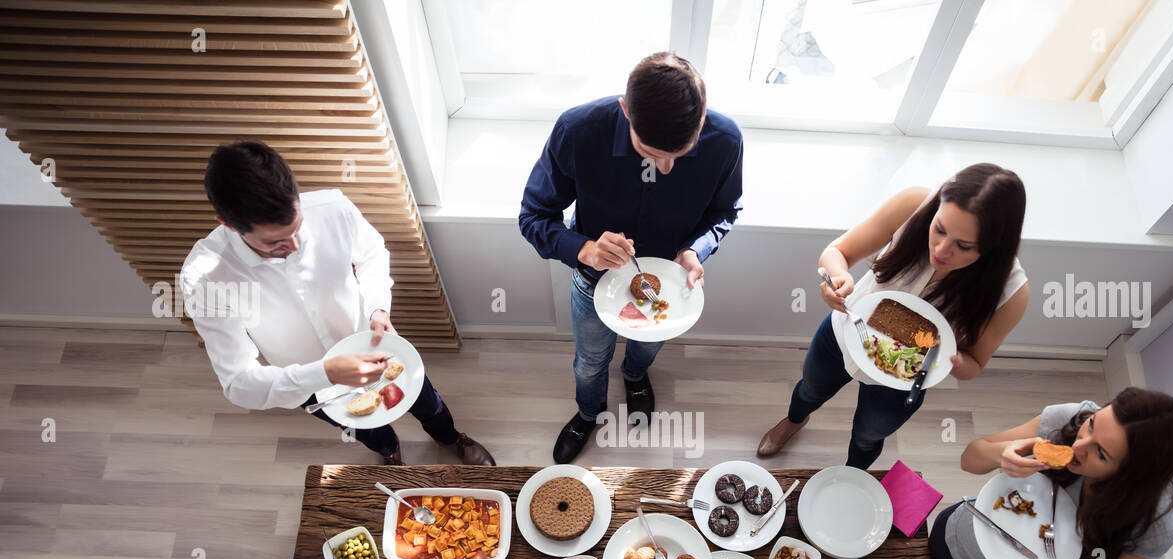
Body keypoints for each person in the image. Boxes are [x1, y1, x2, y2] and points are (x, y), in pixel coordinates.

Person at [181, 140, 495, 466]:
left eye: (297, 228)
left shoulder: (332, 209)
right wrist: (325, 373)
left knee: (426, 401)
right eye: (275, 243)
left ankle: (450, 437)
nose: (292, 246)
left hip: (373, 343)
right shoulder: (206, 277)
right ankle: (389, 452)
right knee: (363, 430)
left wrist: (377, 307)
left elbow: (372, 252)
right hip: (307, 379)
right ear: (228, 224)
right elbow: (239, 384)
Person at [519, 52, 743, 463]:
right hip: (592, 281)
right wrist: (584, 248)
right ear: (626, 112)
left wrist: (696, 250)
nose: (665, 167)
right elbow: (533, 217)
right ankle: (589, 413)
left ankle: (636, 377)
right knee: (589, 361)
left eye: (681, 152)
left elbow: (725, 211)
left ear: (702, 119)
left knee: (646, 349)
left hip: (670, 288)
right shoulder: (578, 130)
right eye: (650, 151)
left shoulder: (726, 140)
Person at [757, 163, 1029, 468]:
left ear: (994, 248)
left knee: (868, 435)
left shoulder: (1012, 295)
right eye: (939, 228)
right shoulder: (914, 205)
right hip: (844, 332)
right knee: (810, 388)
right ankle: (794, 421)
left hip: (902, 377)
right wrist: (837, 277)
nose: (940, 249)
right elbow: (838, 251)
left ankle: (853, 475)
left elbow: (974, 364)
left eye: (963, 246)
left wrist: (951, 358)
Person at [929, 387, 1173, 559]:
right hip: (967, 532)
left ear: (1132, 476)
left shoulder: (1156, 524)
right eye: (1092, 425)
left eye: (1101, 453)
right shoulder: (1067, 420)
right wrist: (1003, 455)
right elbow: (970, 458)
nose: (1079, 446)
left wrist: (1051, 550)